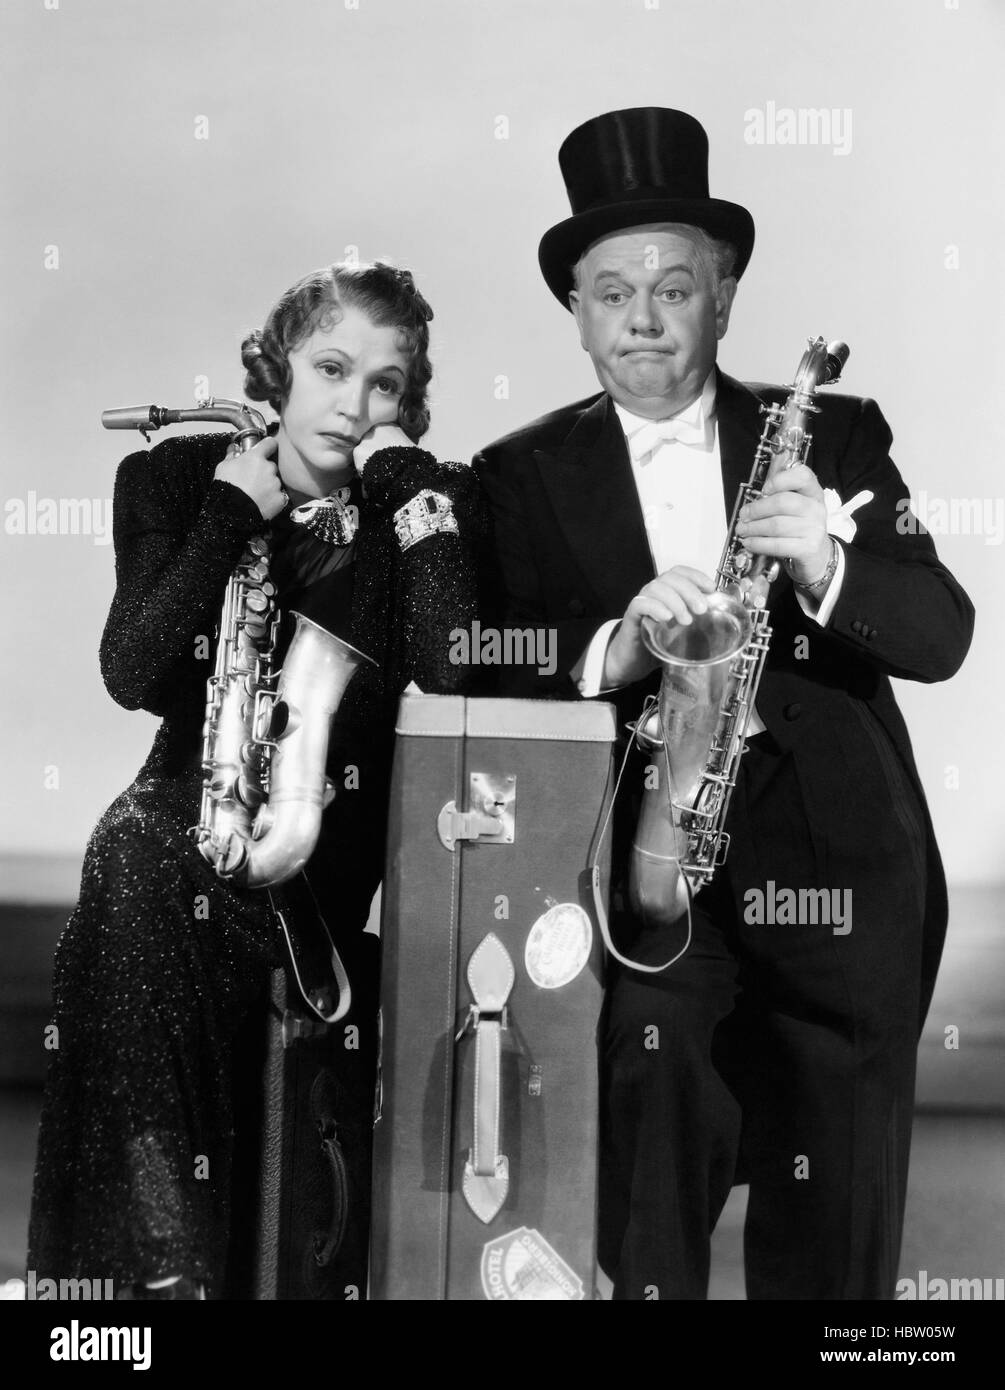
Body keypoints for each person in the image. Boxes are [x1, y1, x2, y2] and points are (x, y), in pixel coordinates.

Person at [473, 108, 975, 1300]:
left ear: (727, 295)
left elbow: (943, 633)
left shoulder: (839, 433)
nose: (642, 319)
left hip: (841, 862)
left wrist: (829, 569)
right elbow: (480, 650)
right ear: (577, 312)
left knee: (841, 1206)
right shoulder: (513, 477)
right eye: (611, 292)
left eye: (674, 287)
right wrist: (616, 646)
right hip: (651, 871)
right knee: (647, 1188)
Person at [27, 259, 482, 1300]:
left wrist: (406, 481)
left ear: (407, 403)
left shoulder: (431, 505)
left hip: (309, 882)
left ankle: (171, 1281)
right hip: (174, 839)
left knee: (146, 890)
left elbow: (448, 663)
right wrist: (229, 515)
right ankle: (163, 1279)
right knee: (140, 865)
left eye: (385, 383)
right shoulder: (180, 480)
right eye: (331, 368)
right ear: (278, 369)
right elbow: (134, 671)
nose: (354, 403)